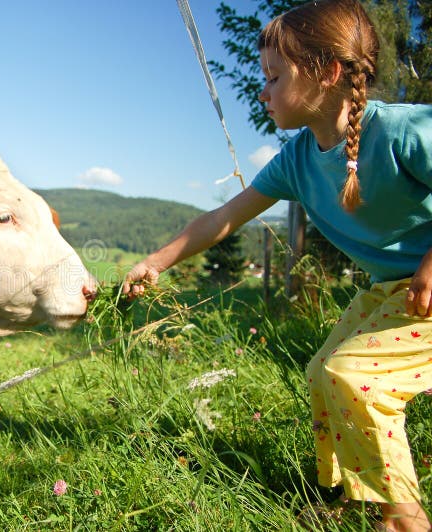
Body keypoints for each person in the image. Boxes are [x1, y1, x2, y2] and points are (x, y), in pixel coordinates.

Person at [123, 0, 432, 529]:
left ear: (328, 73)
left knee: (354, 375)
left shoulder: (402, 130)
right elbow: (224, 217)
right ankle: (356, 494)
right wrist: (157, 260)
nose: (263, 91)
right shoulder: (298, 158)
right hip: (392, 290)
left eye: (273, 76)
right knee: (322, 373)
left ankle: (403, 517)